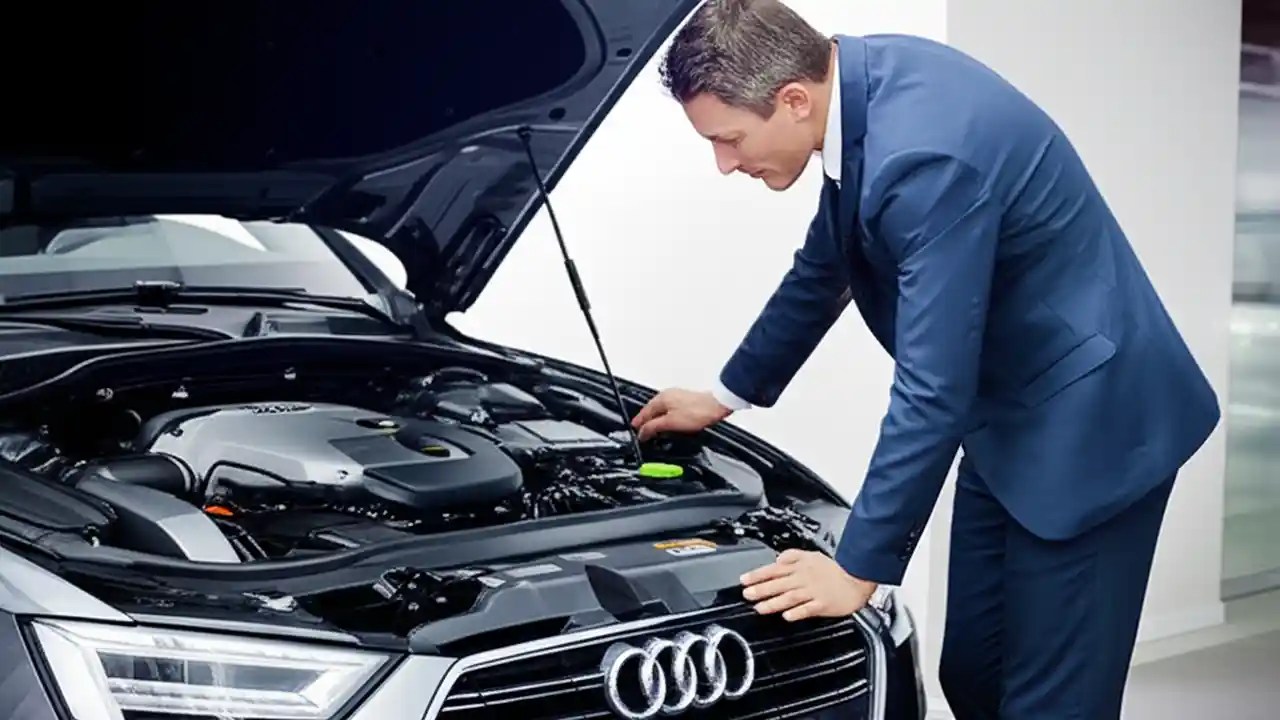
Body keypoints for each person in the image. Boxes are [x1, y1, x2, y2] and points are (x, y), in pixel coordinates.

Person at [630, 1, 1221, 717]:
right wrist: (727, 395)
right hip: (1011, 413)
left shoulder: (924, 155)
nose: (725, 164)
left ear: (792, 100)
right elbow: (827, 265)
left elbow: (933, 385)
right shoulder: (858, 85)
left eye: (728, 139)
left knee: (1053, 704)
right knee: (973, 671)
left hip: (1095, 424)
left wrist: (857, 569)